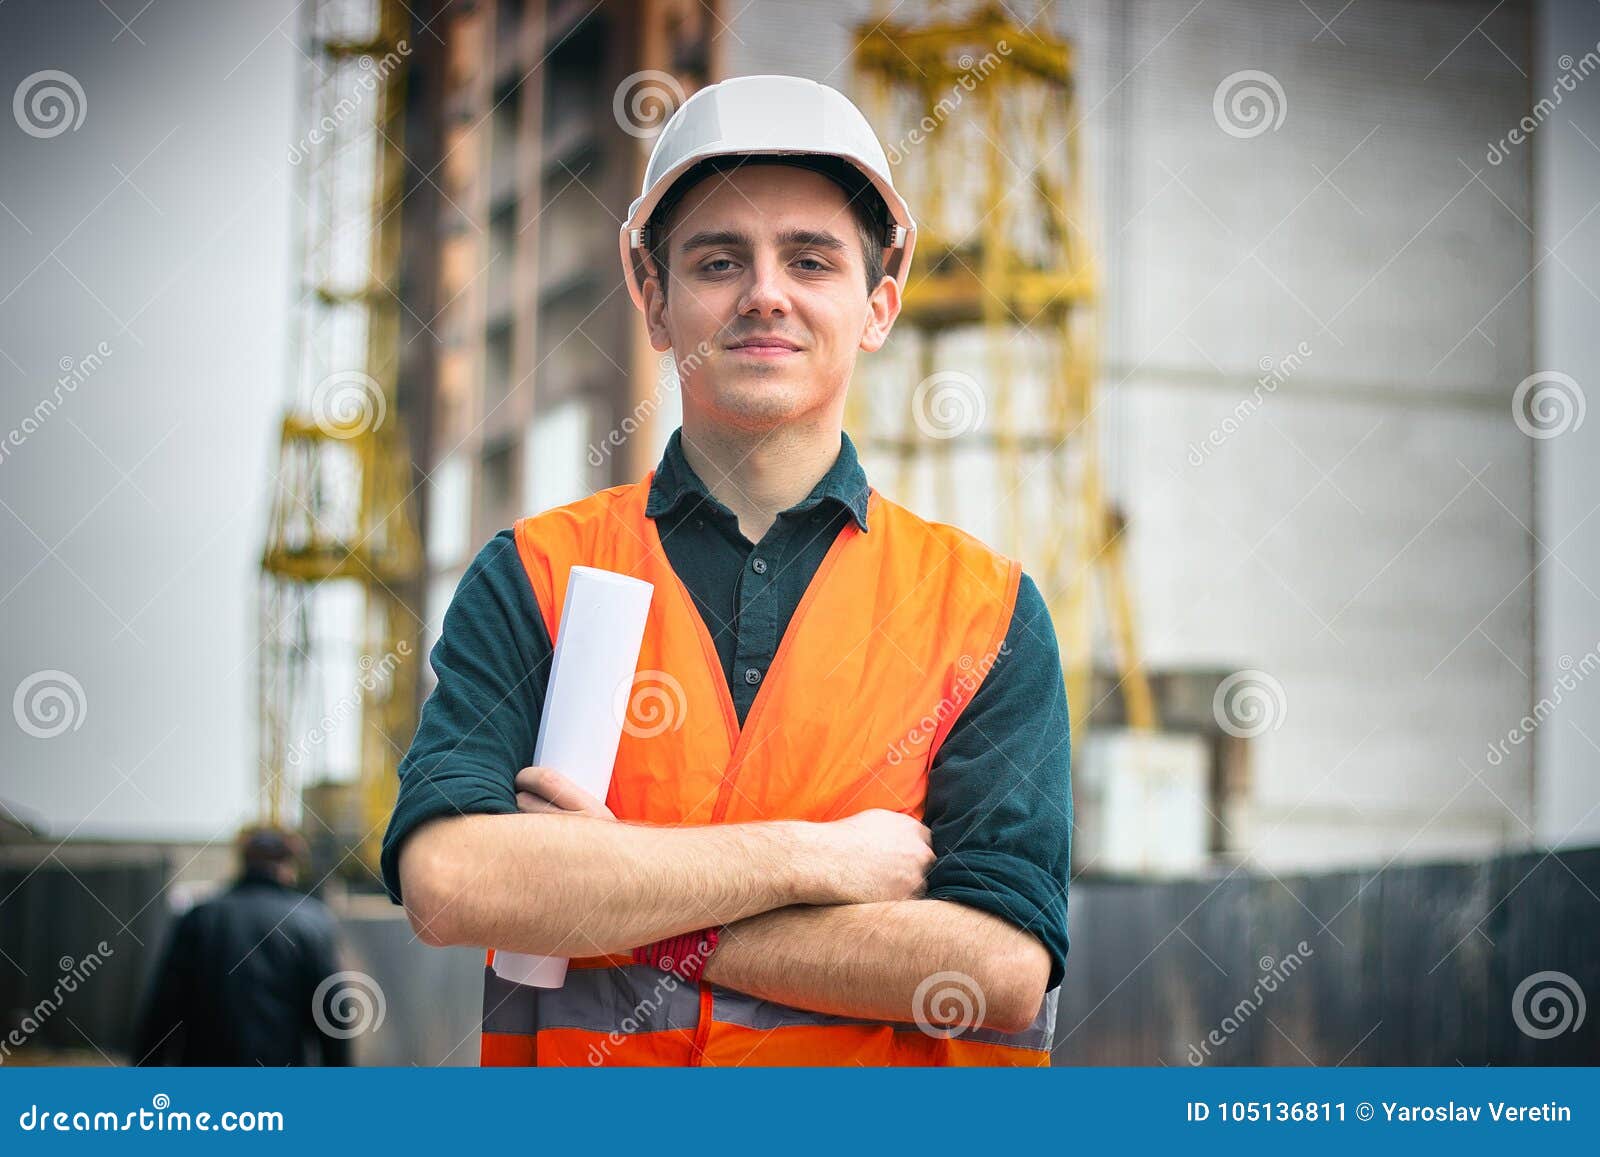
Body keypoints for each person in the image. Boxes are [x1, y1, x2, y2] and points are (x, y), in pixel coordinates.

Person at [382, 74, 1072, 1066]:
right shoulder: (537, 575)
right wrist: (816, 858)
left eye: (810, 258)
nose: (765, 293)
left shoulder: (984, 610)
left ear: (877, 305)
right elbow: (450, 883)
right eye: (718, 260)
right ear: (654, 301)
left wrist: (602, 890)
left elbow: (996, 967)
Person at [132, 826, 350, 1066]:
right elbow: (332, 1016)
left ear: (243, 860)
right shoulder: (313, 922)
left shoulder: (199, 918)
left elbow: (162, 1009)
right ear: (289, 864)